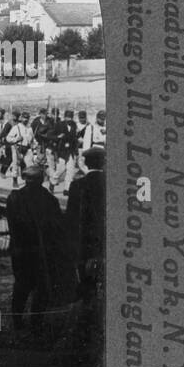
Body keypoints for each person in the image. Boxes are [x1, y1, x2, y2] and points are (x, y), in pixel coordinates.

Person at [5, 165, 69, 333]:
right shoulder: (50, 200)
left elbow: (13, 225)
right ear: (42, 180)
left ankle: (17, 321)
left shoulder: (14, 198)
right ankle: (36, 322)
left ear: (25, 179)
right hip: (43, 251)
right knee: (41, 287)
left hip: (21, 251)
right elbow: (57, 228)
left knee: (21, 286)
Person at [66, 147, 106, 350]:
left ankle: (86, 327)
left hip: (84, 246)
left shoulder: (77, 185)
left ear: (87, 163)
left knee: (86, 285)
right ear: (104, 162)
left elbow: (72, 219)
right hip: (106, 245)